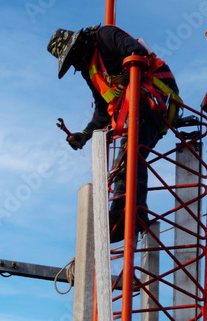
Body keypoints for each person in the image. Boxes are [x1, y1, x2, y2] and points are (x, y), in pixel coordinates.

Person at [47, 24, 179, 241]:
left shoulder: (105, 35)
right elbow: (102, 110)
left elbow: (137, 52)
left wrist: (124, 85)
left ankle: (128, 212)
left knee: (131, 152)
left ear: (81, 44)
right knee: (129, 155)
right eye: (70, 63)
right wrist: (85, 134)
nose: (76, 65)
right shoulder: (90, 70)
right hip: (136, 105)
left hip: (156, 94)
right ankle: (128, 212)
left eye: (73, 57)